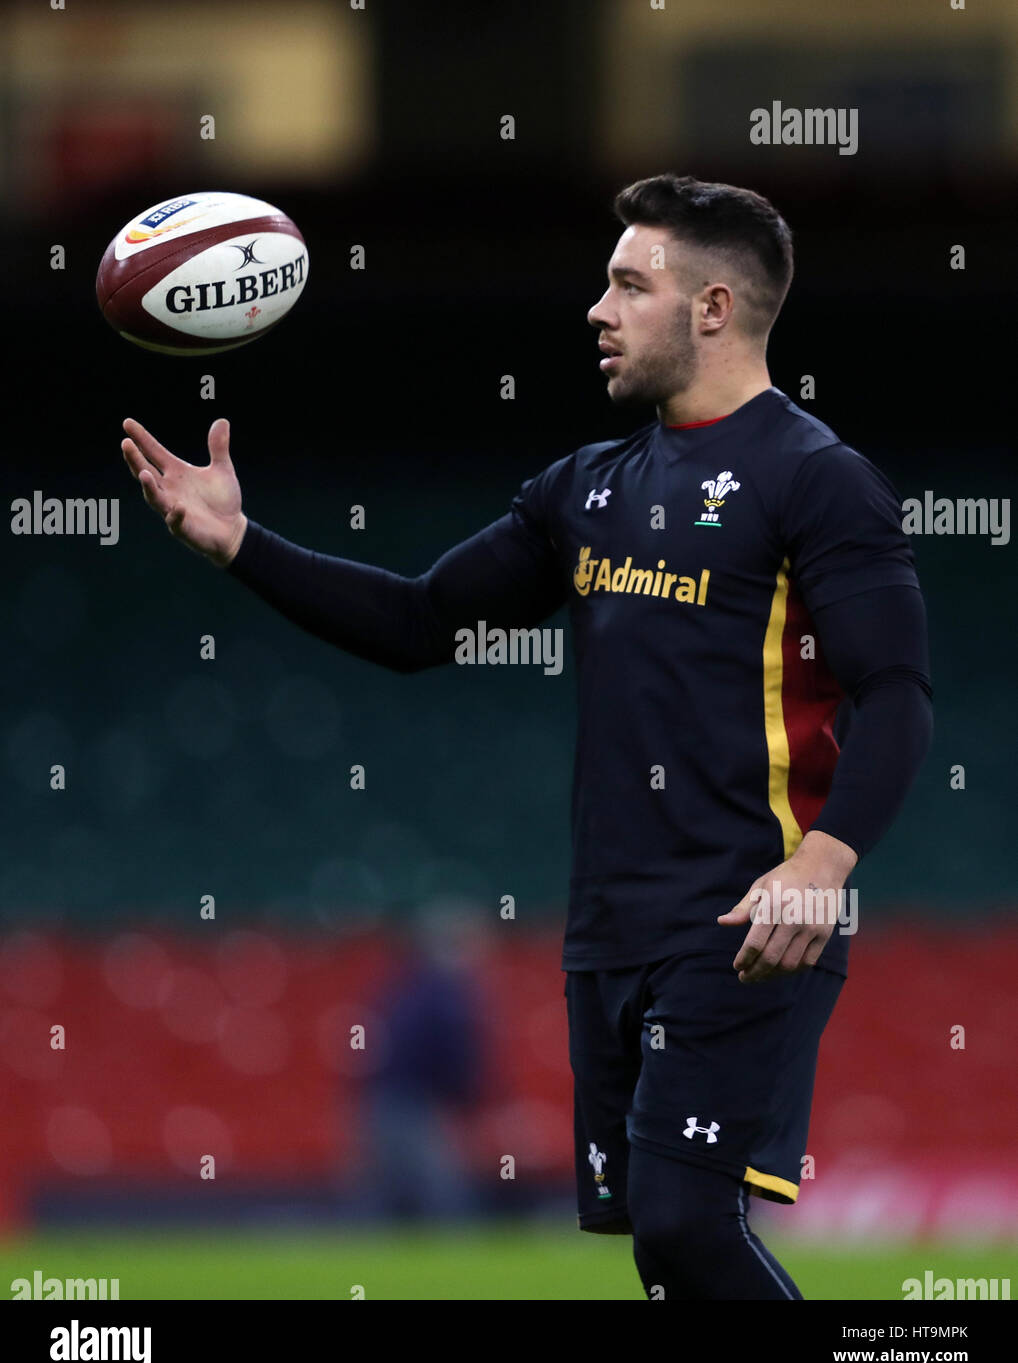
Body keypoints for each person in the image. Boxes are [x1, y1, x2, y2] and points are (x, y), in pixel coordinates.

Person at [121, 173, 932, 1299]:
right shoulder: (586, 489)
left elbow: (897, 691)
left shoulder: (818, 479)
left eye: (626, 285)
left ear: (710, 308)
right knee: (663, 1259)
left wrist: (825, 860)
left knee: (685, 1226)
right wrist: (241, 544)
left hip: (749, 915)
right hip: (608, 926)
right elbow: (418, 622)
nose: (595, 310)